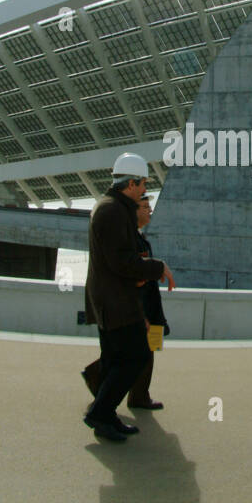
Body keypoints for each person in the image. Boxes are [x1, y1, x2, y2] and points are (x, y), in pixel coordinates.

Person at [82, 153, 175, 441]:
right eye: (143, 183)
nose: (145, 189)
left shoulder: (112, 208)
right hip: (117, 303)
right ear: (131, 183)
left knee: (114, 358)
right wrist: (157, 267)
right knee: (135, 356)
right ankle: (100, 412)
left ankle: (105, 414)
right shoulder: (113, 212)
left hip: (113, 301)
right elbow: (122, 261)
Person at [81, 195, 168, 409]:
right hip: (140, 308)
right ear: (132, 211)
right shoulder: (132, 241)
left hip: (152, 307)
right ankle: (99, 382)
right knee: (131, 354)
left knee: (150, 351)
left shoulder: (139, 237)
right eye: (145, 207)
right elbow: (131, 278)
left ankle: (140, 395)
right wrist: (142, 315)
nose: (149, 211)